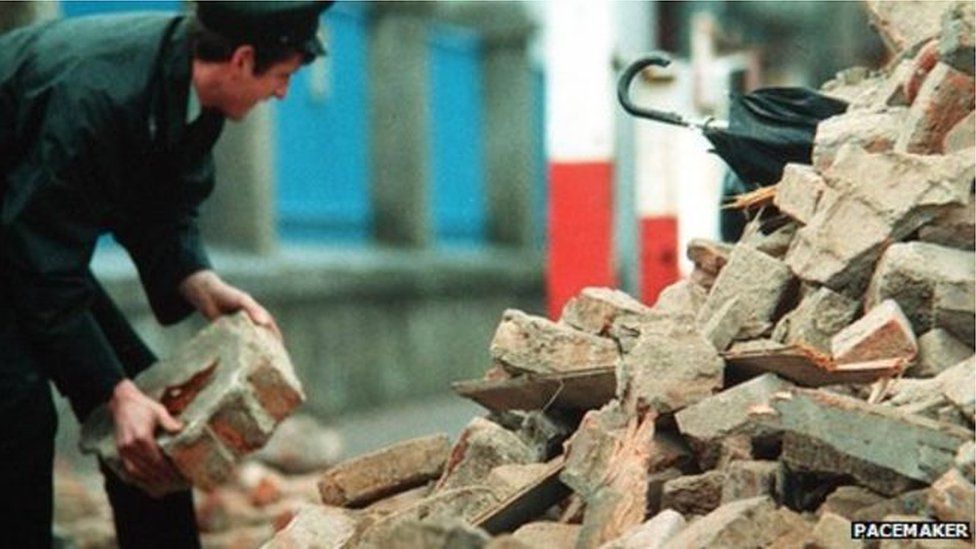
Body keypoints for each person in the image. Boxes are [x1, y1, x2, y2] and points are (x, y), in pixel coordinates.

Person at [0, 1, 333, 546]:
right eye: (282, 77)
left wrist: (200, 282)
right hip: (24, 241)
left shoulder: (190, 88)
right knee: (17, 410)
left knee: (156, 415)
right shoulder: (97, 95)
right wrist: (112, 392)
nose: (282, 94)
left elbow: (163, 208)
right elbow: (39, 263)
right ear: (243, 60)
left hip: (24, 237)